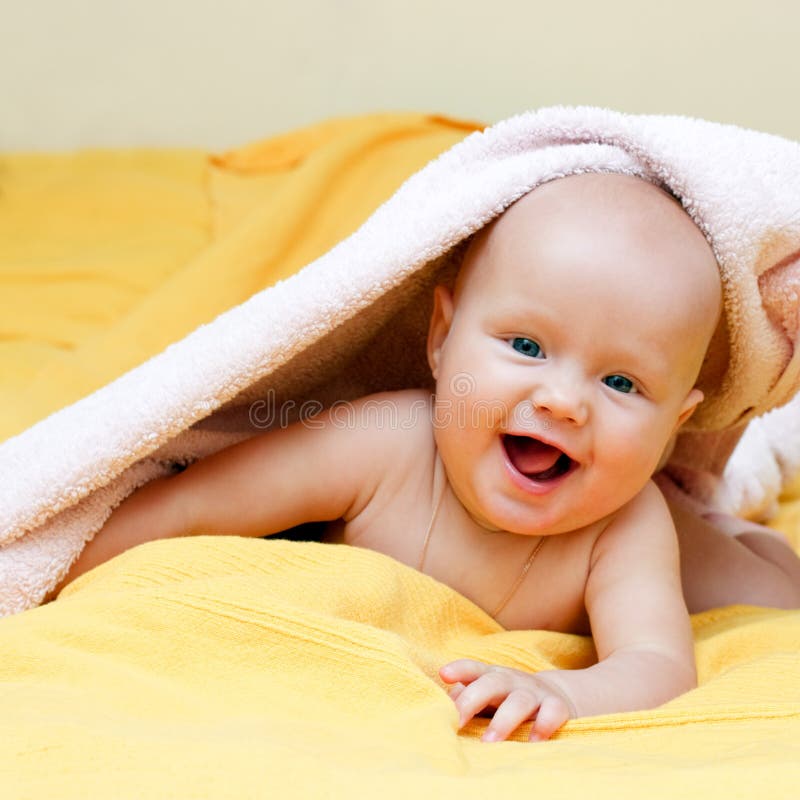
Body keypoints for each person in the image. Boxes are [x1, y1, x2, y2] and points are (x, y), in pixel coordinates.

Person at [51, 172, 800, 743]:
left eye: (622, 382)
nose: (564, 402)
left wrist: (569, 696)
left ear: (675, 423)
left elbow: (657, 665)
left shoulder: (626, 527)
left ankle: (740, 494)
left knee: (774, 588)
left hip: (669, 519)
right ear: (441, 338)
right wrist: (57, 571)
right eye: (527, 347)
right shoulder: (381, 444)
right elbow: (192, 506)